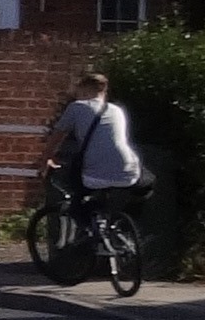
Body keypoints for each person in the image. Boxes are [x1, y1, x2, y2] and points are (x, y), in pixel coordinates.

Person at [44, 63, 143, 234]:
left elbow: (57, 137)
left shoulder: (76, 107)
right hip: (130, 169)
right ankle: (121, 228)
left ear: (84, 89)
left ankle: (91, 236)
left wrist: (46, 159)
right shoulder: (116, 110)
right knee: (139, 188)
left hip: (96, 172)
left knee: (76, 201)